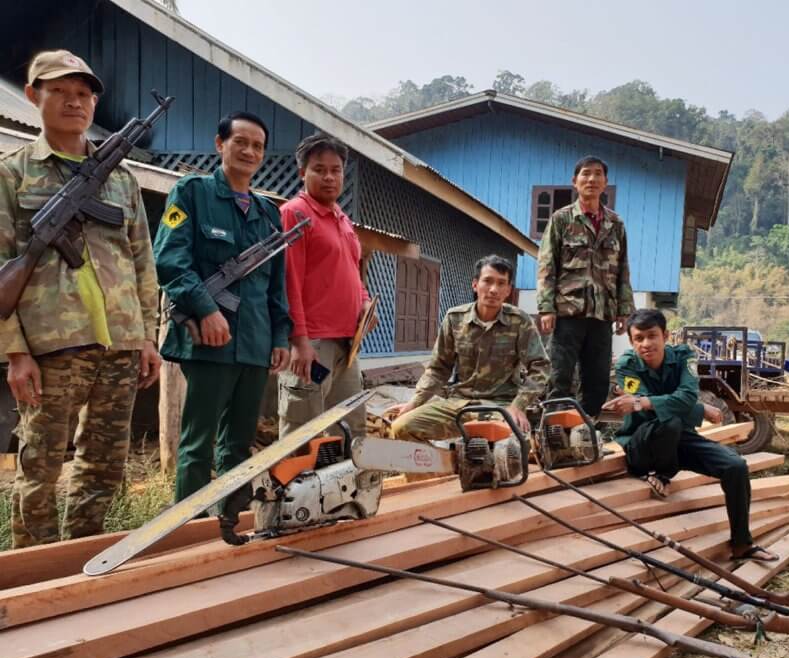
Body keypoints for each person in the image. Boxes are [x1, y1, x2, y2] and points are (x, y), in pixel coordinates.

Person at [0, 50, 160, 548]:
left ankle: (85, 558)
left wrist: (147, 337)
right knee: (41, 466)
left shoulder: (121, 179)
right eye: (60, 91)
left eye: (84, 93)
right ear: (33, 96)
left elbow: (142, 261)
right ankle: (36, 569)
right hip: (51, 346)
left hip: (120, 344)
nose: (75, 102)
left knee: (104, 466)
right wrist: (15, 352)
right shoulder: (12, 174)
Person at [155, 111, 290, 504]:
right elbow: (169, 260)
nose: (249, 151)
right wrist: (205, 309)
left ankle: (232, 520)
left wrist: (280, 336)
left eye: (258, 146)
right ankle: (190, 526)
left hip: (255, 343)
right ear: (220, 144)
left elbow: (276, 284)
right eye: (240, 142)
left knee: (238, 445)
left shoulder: (268, 213)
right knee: (198, 444)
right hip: (209, 341)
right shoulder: (192, 193)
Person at [604, 309, 777, 562]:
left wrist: (643, 402)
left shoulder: (685, 357)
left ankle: (742, 544)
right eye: (639, 338)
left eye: (652, 336)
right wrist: (699, 409)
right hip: (642, 445)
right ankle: (660, 473)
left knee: (736, 466)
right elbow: (663, 408)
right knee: (671, 421)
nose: (646, 344)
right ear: (631, 341)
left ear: (665, 336)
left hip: (680, 439)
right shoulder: (626, 365)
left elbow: (684, 397)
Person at [389, 255, 549, 442]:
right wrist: (414, 403)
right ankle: (437, 463)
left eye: (501, 283)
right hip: (458, 404)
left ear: (508, 290)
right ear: (475, 284)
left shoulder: (520, 321)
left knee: (511, 446)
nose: (493, 289)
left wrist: (518, 405)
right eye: (487, 281)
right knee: (401, 428)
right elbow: (438, 369)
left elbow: (540, 367)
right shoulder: (455, 318)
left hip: (501, 406)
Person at [277, 132, 373, 439]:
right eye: (319, 169)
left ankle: (339, 474)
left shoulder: (342, 219)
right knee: (303, 432)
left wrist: (365, 303)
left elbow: (353, 272)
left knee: (350, 428)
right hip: (314, 346)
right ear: (302, 172)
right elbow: (288, 280)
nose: (329, 177)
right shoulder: (295, 213)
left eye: (336, 170)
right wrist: (299, 341)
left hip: (347, 344)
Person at [537, 155, 634, 419]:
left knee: (597, 380)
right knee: (560, 376)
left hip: (602, 314)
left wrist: (624, 310)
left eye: (598, 174)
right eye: (586, 174)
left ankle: (585, 429)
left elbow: (623, 268)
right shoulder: (561, 219)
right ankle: (555, 429)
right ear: (575, 181)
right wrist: (546, 308)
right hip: (568, 312)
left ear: (605, 182)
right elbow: (547, 265)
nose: (592, 179)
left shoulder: (616, 224)